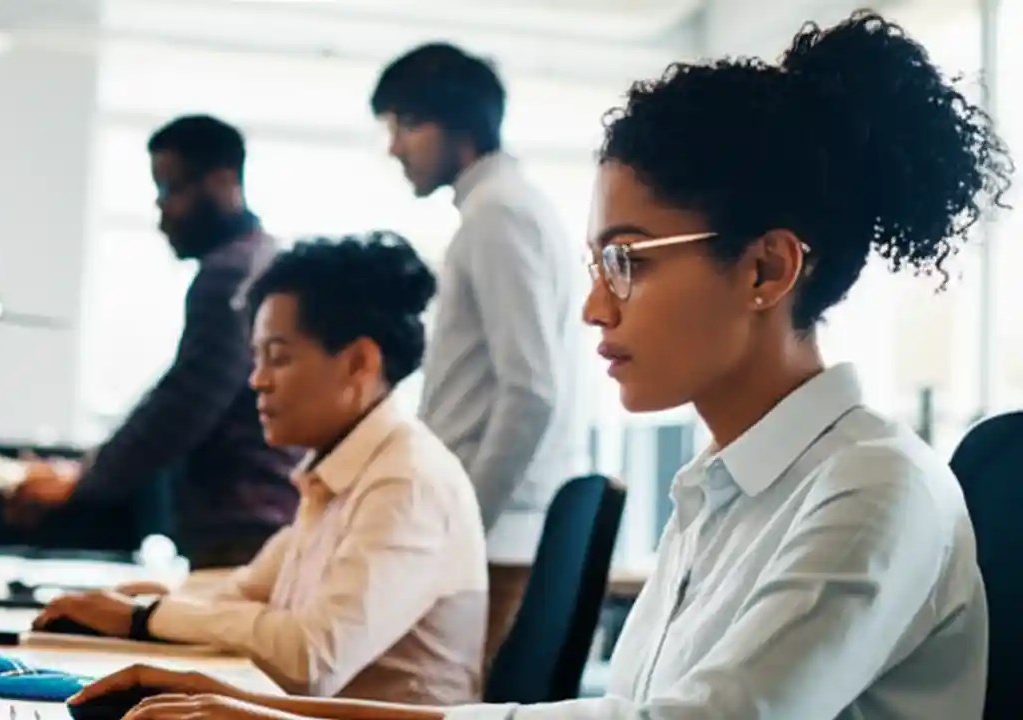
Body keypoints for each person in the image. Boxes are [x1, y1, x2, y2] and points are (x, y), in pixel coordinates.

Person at [65, 10, 1012, 719]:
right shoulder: (723, 489)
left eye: (627, 262)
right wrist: (267, 712)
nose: (595, 306)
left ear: (765, 268)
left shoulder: (875, 491)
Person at [36, 233, 489, 704]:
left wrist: (146, 616)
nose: (257, 380)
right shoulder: (342, 472)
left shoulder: (406, 480)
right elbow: (243, 592)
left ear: (358, 362)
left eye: (278, 357)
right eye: (257, 358)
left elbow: (311, 659)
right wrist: (142, 599)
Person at [370, 42, 586, 667]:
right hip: (496, 532)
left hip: (497, 539)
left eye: (405, 125)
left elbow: (530, 390)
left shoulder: (499, 215)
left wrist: (460, 527)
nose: (394, 147)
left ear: (457, 128)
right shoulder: (504, 209)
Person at [8, 115, 300, 568]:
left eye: (170, 189)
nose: (162, 210)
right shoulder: (261, 259)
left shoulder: (230, 274)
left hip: (245, 528)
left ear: (222, 182)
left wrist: (82, 482)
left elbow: (184, 403)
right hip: (260, 520)